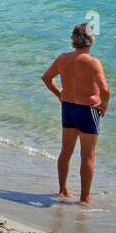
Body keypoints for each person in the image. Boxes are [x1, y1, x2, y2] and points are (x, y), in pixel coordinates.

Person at [41, 22, 110, 204]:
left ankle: (63, 189)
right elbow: (105, 90)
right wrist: (104, 106)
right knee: (87, 156)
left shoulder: (63, 58)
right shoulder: (93, 63)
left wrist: (60, 95)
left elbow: (46, 78)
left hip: (68, 108)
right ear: (90, 41)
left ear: (73, 40)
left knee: (66, 151)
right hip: (88, 110)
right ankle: (84, 198)